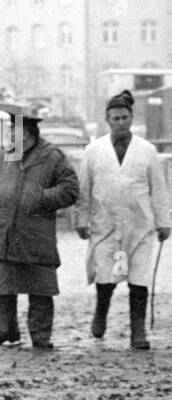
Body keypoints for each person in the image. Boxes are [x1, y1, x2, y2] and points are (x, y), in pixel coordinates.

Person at [0, 103, 79, 350]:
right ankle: (7, 330)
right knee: (4, 284)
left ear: (28, 133)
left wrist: (43, 198)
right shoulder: (3, 155)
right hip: (4, 231)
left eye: (14, 130)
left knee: (40, 287)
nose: (10, 135)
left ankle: (40, 335)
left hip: (36, 233)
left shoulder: (52, 157)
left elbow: (70, 188)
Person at [75, 89, 172, 350]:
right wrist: (81, 219)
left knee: (138, 277)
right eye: (115, 118)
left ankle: (137, 331)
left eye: (124, 118)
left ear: (131, 118)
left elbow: (159, 188)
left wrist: (164, 221)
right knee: (106, 275)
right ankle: (101, 313)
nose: (120, 123)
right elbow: (84, 188)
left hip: (139, 226)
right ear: (107, 120)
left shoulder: (147, 150)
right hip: (104, 224)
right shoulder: (94, 151)